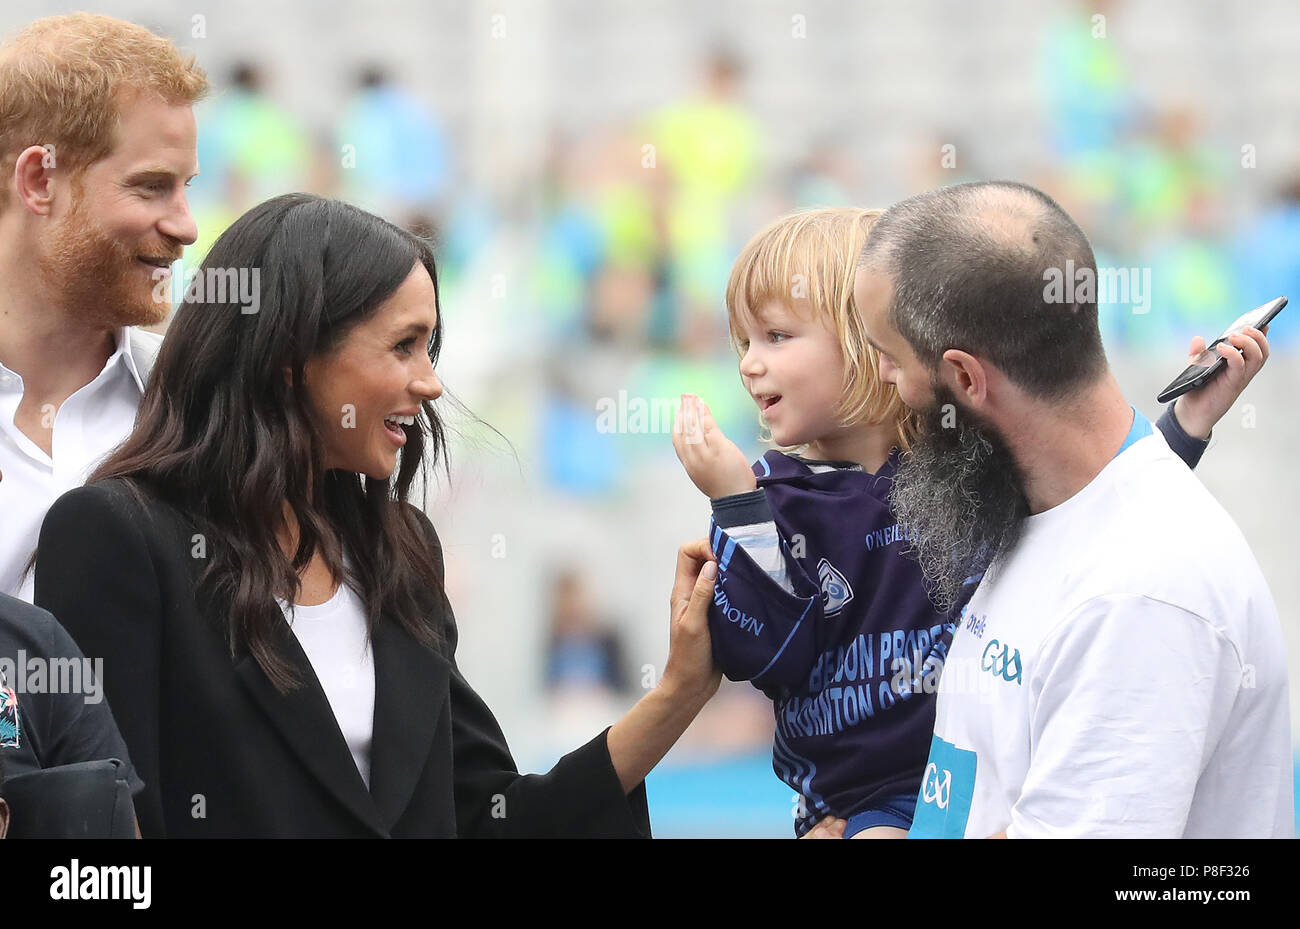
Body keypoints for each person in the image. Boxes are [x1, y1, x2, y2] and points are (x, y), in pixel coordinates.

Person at [31, 194, 720, 838]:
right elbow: (106, 844)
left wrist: (678, 692)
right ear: (292, 357)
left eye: (431, 346)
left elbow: (489, 817)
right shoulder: (113, 536)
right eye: (404, 345)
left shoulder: (401, 549)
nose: (430, 381)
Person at [673, 206, 1267, 838]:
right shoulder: (774, 497)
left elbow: (1092, 513)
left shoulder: (958, 466)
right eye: (743, 344)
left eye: (776, 337)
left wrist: (1188, 424)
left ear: (862, 341)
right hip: (865, 796)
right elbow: (762, 657)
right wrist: (736, 505)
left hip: (989, 767)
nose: (749, 364)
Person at [852, 180, 1292, 838]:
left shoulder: (1139, 594)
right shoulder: (1034, 507)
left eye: (888, 358)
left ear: (966, 378)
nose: (883, 381)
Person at [0, 13, 206, 601]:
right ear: (41, 179)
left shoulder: (203, 411)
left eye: (188, 185)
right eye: (151, 186)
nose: (186, 225)